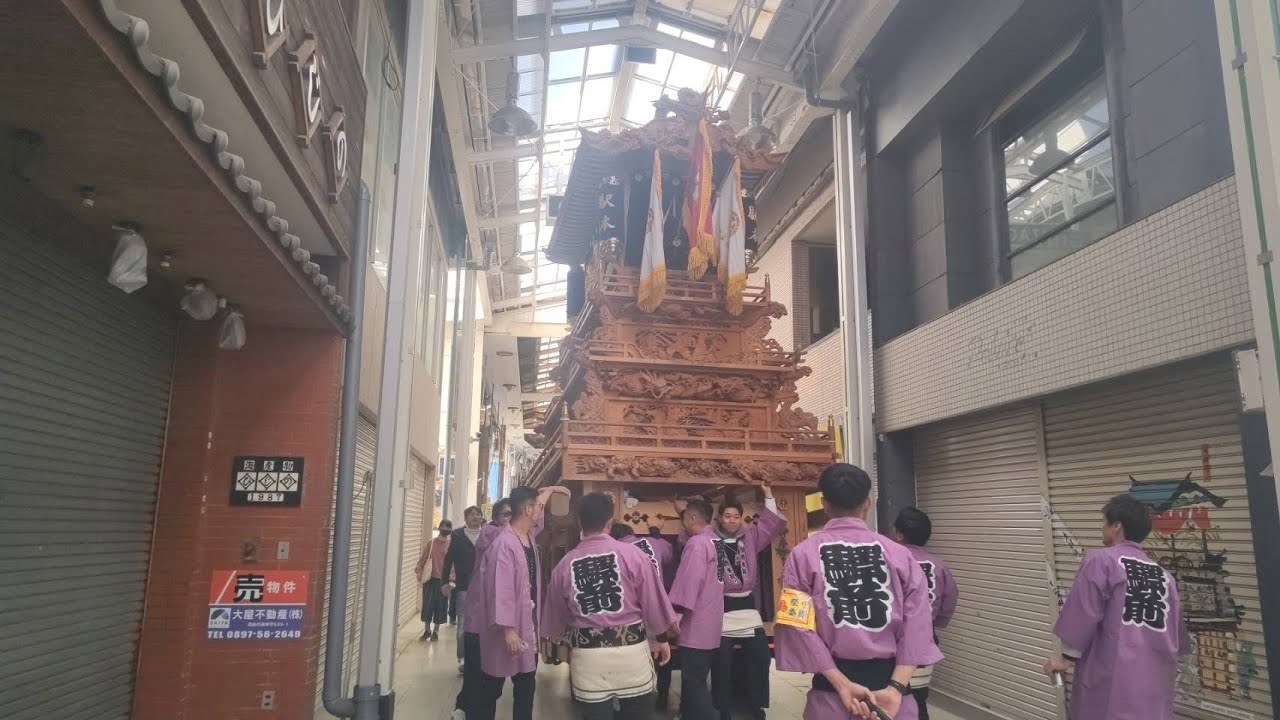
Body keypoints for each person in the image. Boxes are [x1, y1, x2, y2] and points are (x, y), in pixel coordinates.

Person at [774, 463, 941, 720]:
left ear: (824, 504)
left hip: (831, 697)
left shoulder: (802, 556)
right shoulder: (900, 555)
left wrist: (841, 684)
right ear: (868, 503)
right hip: (893, 699)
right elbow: (918, 623)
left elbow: (797, 624)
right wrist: (895, 689)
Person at [1043, 494, 1189, 720]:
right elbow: (1176, 638)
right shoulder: (1165, 577)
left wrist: (1063, 659)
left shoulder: (1101, 561)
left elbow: (1083, 614)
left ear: (1117, 526)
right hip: (1154, 692)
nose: (1103, 528)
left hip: (1112, 687)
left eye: (1105, 522)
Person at [542, 493, 678, 719]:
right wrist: (661, 639)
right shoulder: (633, 555)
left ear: (579, 523)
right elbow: (654, 604)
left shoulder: (565, 565)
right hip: (631, 655)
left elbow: (555, 625)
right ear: (609, 523)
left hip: (589, 659)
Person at [474, 485, 568, 720]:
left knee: (526, 685)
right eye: (537, 507)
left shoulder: (527, 536)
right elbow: (500, 589)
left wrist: (551, 490)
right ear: (527, 510)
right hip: (506, 630)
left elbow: (539, 514)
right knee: (492, 686)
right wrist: (508, 630)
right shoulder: (504, 544)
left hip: (526, 627)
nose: (540, 511)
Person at [711, 483, 785, 720]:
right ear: (720, 518)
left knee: (761, 656)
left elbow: (770, 524)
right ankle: (722, 708)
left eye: (736, 516)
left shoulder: (750, 537)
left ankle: (756, 704)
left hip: (747, 607)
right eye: (727, 516)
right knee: (721, 661)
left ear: (740, 519)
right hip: (721, 607)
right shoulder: (708, 540)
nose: (732, 520)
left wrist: (769, 495)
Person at [890, 506, 958, 720]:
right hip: (925, 643)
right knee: (918, 700)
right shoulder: (937, 565)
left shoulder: (889, 559)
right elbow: (950, 598)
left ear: (899, 534)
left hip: (890, 644)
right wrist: (933, 622)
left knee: (888, 700)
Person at [609, 522, 678, 710]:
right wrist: (655, 532)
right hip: (658, 609)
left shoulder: (617, 551)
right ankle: (662, 698)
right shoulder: (651, 543)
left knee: (633, 659)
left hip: (631, 614)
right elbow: (670, 553)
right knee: (663, 655)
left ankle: (630, 700)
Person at [667, 498, 724, 720]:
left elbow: (689, 582)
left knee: (694, 681)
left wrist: (675, 617)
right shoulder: (716, 542)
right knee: (695, 679)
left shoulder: (697, 544)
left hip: (696, 625)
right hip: (712, 622)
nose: (682, 524)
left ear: (692, 518)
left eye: (683, 518)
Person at [442, 505, 486, 673]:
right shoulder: (457, 536)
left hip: (484, 588)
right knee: (463, 624)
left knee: (483, 624)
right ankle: (463, 658)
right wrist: (444, 582)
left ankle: (480, 658)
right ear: (466, 518)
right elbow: (448, 561)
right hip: (464, 587)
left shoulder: (488, 534)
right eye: (472, 514)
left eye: (478, 514)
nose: (476, 517)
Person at [416, 519, 453, 641]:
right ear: (439, 527)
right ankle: (427, 630)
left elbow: (454, 564)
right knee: (427, 605)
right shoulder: (431, 543)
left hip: (444, 581)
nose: (445, 529)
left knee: (441, 606)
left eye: (448, 527)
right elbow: (423, 559)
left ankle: (436, 631)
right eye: (443, 526)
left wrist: (453, 579)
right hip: (430, 579)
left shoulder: (452, 544)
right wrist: (419, 571)